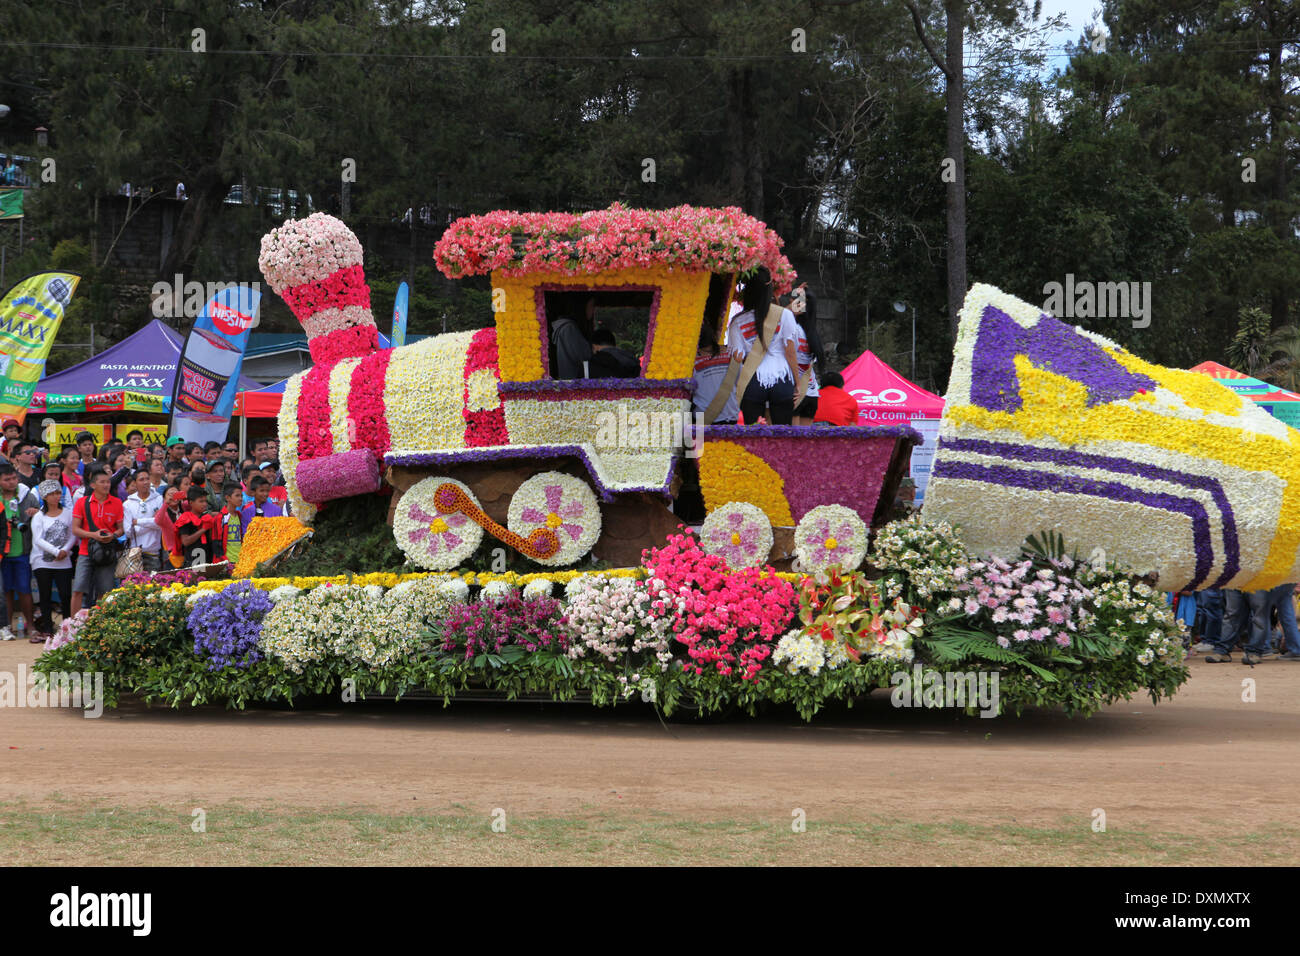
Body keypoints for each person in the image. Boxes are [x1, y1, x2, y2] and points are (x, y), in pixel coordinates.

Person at [726, 267, 799, 426]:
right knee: (783, 433)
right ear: (769, 288)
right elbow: (791, 352)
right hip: (782, 378)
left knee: (753, 434)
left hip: (752, 381)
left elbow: (737, 357)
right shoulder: (784, 315)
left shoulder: (738, 322)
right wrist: (797, 383)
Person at [69, 469, 123, 615]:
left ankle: (100, 624)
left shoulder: (117, 502)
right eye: (102, 482)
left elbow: (121, 530)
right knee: (78, 589)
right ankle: (72, 625)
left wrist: (112, 535)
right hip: (85, 551)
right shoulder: (82, 502)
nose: (106, 485)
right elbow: (75, 529)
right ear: (93, 485)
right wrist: (93, 535)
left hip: (107, 552)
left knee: (105, 591)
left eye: (108, 482)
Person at [30, 480, 74, 642]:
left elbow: (73, 533)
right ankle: (47, 628)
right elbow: (38, 539)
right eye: (51, 494)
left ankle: (67, 627)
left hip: (64, 560)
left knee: (65, 594)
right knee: (45, 595)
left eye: (57, 493)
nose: (56, 497)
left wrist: (65, 551)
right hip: (42, 561)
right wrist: (56, 551)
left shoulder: (68, 513)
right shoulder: (39, 516)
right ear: (44, 497)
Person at [0, 464, 39, 641]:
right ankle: (6, 626)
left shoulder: (28, 497)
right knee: (5, 591)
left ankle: (30, 625)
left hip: (23, 550)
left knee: (24, 590)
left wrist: (36, 513)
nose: (11, 482)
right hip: (3, 553)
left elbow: (43, 517)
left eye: (14, 478)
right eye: (6, 479)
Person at [691, 324, 739, 425]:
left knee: (698, 441)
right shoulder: (731, 354)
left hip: (703, 419)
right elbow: (741, 382)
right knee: (727, 442)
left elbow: (687, 388)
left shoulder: (691, 361)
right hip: (730, 416)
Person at [121, 469, 164, 573]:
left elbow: (160, 524)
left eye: (147, 479)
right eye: (141, 479)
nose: (145, 482)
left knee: (154, 586)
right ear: (135, 483)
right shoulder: (127, 504)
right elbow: (128, 532)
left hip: (153, 553)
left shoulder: (158, 499)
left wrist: (138, 522)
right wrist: (151, 522)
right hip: (134, 554)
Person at [791, 296, 825, 426]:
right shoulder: (813, 334)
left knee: (793, 441)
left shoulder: (793, 330)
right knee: (803, 444)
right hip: (811, 392)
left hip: (795, 392)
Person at [549, 293, 594, 380]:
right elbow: (584, 356)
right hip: (572, 383)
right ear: (582, 307)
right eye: (591, 306)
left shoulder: (568, 327)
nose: (593, 310)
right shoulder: (569, 328)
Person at [173, 487, 220, 568]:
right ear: (191, 503)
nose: (204, 504)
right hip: (193, 561)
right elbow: (185, 541)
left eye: (205, 501)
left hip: (208, 559)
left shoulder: (206, 517)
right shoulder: (185, 518)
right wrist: (203, 529)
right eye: (201, 501)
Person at [219, 484, 245, 565]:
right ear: (227, 498)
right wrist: (224, 560)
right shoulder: (221, 518)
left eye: (241, 496)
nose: (240, 499)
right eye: (237, 496)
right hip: (227, 561)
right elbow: (217, 543)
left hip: (240, 560)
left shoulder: (240, 516)